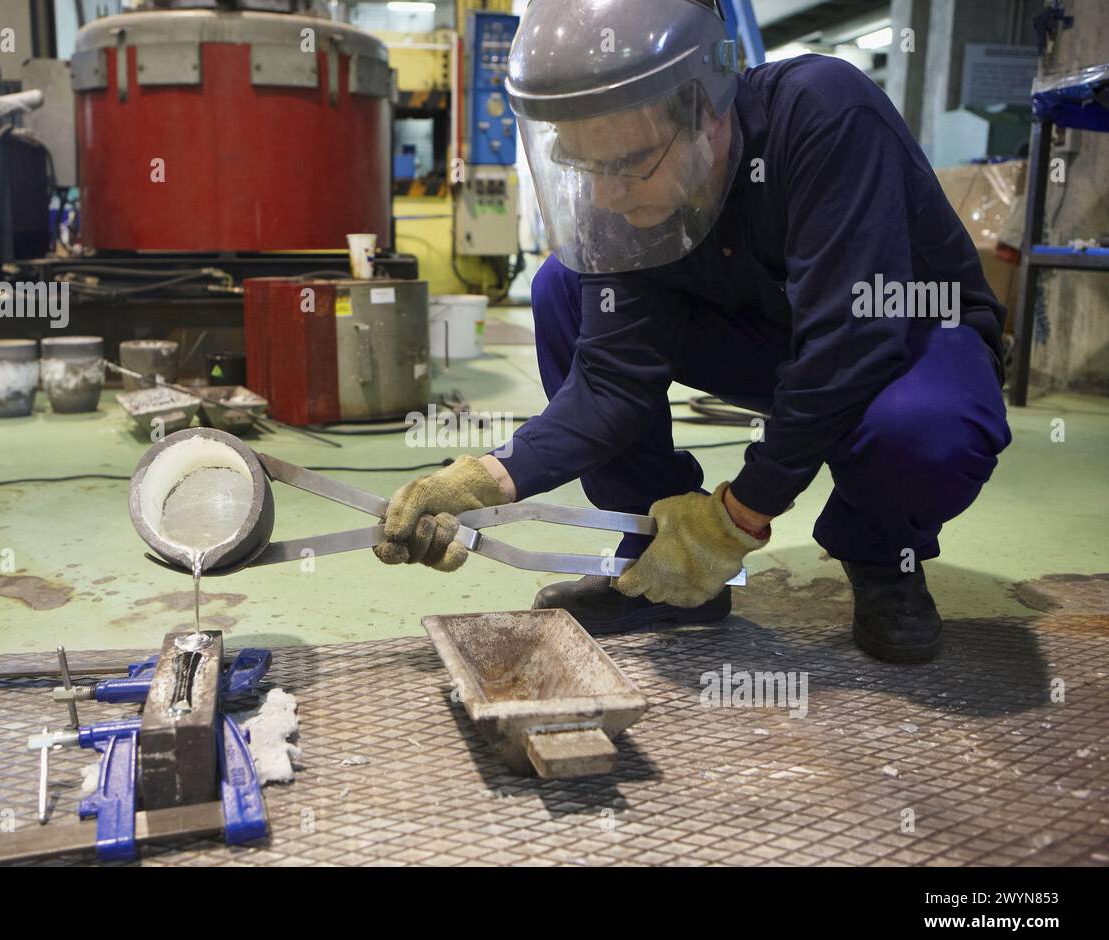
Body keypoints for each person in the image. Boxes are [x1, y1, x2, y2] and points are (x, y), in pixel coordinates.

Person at [375, 0, 1011, 664]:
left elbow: (853, 340)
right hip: (774, 339)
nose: (606, 196)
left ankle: (884, 558)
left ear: (708, 107)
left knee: (924, 430)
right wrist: (489, 480)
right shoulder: (621, 191)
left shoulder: (825, 115)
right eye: (584, 167)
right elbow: (609, 382)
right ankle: (658, 559)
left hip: (902, 334)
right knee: (561, 288)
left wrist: (736, 516)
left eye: (628, 163)